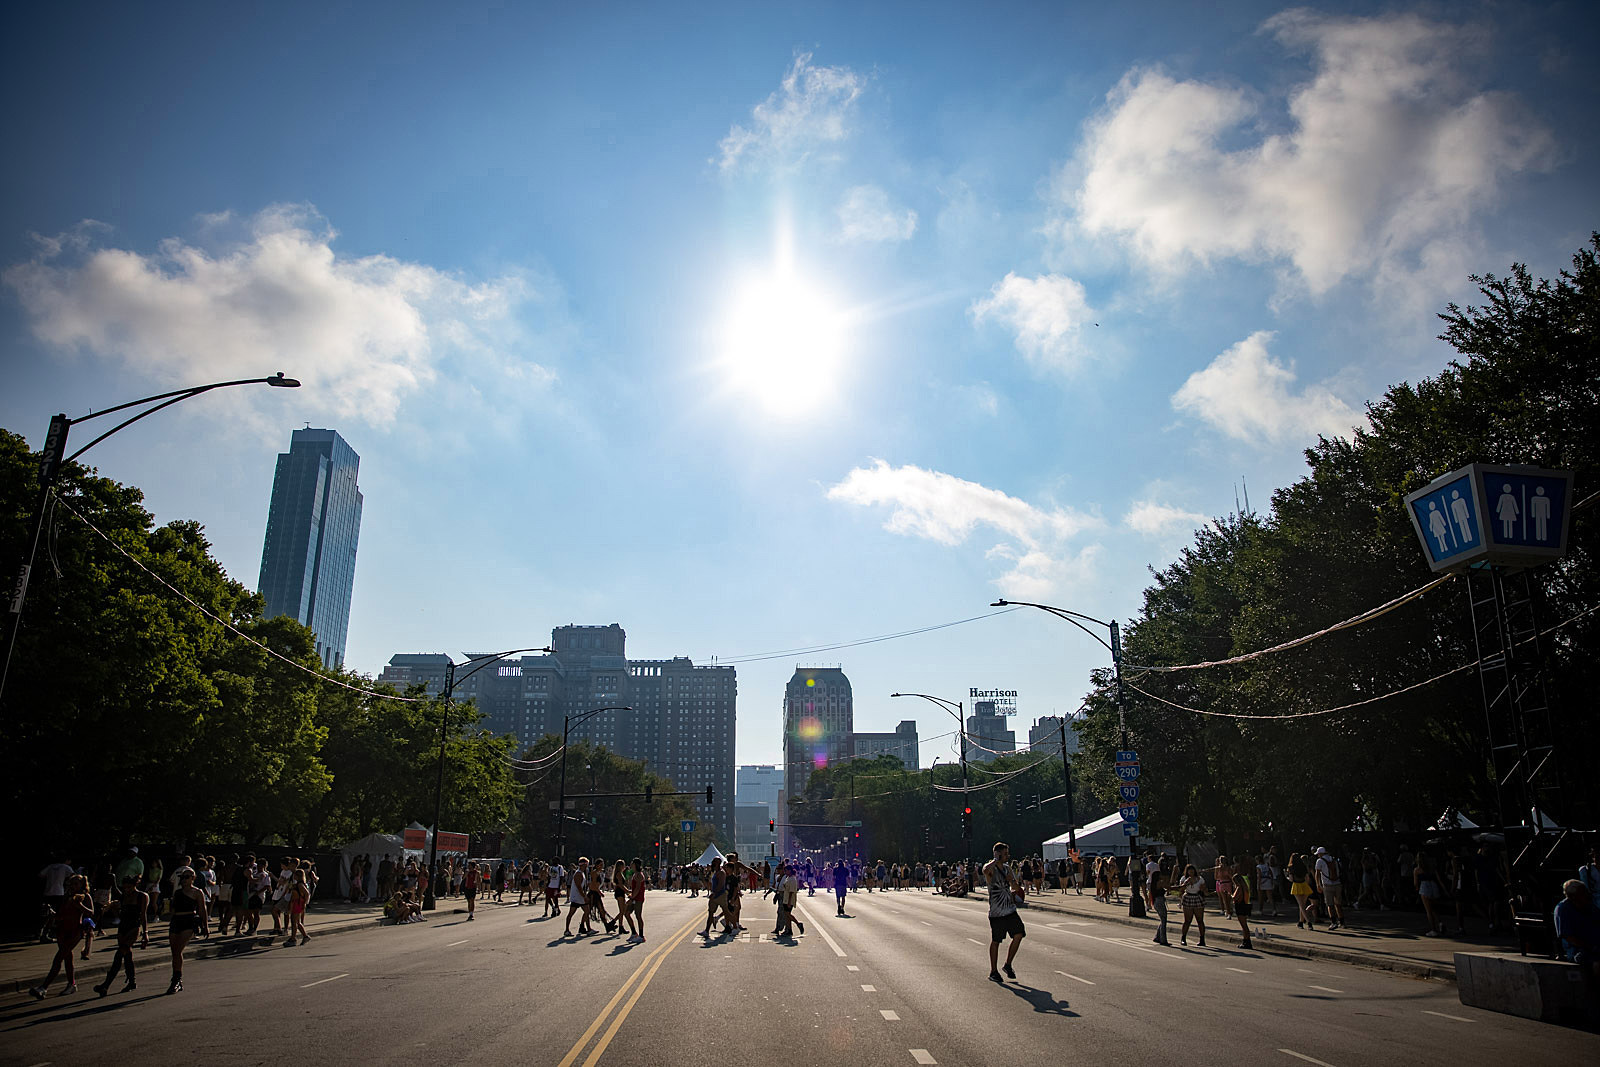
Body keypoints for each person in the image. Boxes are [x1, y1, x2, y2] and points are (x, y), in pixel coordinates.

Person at [30, 873, 94, 998]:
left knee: (58, 958)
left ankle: (44, 987)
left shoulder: (85, 897)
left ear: (82, 885)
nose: (73, 886)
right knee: (67, 958)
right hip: (62, 931)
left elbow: (91, 913)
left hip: (75, 931)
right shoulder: (66, 897)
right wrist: (52, 914)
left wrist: (79, 905)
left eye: (76, 884)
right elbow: (60, 915)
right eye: (71, 884)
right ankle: (72, 984)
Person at [94, 875, 148, 996]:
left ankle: (106, 985)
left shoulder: (142, 896)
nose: (127, 890)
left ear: (135, 885)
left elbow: (143, 915)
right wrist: (112, 908)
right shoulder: (123, 897)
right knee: (127, 955)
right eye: (125, 888)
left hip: (133, 928)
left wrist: (145, 933)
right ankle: (132, 982)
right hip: (123, 927)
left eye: (129, 887)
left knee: (119, 954)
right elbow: (120, 914)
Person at [983, 842, 1026, 983]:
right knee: (996, 941)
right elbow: (984, 871)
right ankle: (993, 971)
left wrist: (1012, 882)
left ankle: (1008, 964)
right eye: (1005, 853)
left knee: (1019, 934)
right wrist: (995, 860)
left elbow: (1016, 887)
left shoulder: (1008, 869)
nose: (1007, 856)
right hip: (997, 912)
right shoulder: (991, 869)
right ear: (998, 853)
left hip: (1009, 909)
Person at [165, 867, 208, 994]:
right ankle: (177, 977)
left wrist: (205, 925)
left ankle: (176, 980)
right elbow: (172, 909)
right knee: (174, 951)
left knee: (178, 949)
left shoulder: (197, 892)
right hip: (176, 920)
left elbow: (202, 909)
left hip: (189, 920)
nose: (184, 880)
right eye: (182, 877)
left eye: (187, 877)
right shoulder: (177, 892)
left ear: (193, 878)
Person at [1553, 879, 1600, 983]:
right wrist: (1590, 946)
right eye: (1583, 893)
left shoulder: (1589, 906)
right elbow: (1567, 936)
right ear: (1573, 896)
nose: (1587, 895)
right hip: (1578, 950)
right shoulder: (1563, 909)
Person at [1314, 847, 1345, 930]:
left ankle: (1333, 922)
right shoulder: (1333, 859)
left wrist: (1318, 884)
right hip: (1337, 883)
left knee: (1329, 904)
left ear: (1320, 854)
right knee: (1338, 904)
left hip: (1327, 884)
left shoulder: (1320, 861)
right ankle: (1342, 922)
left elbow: (1317, 873)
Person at [1177, 862, 1207, 947]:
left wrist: (1203, 889)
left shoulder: (1200, 879)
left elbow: (1205, 889)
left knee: (1200, 920)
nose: (1191, 872)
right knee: (1187, 920)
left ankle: (1202, 939)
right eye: (1189, 871)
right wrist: (1186, 882)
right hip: (1188, 897)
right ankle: (1183, 938)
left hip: (1197, 897)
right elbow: (1181, 889)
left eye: (1192, 871)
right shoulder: (1183, 878)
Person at [565, 858, 592, 937]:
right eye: (586, 864)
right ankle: (567, 930)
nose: (587, 866)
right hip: (576, 897)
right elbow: (579, 887)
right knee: (571, 913)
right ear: (583, 864)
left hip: (580, 897)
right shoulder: (578, 874)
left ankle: (588, 929)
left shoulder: (583, 873)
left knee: (587, 911)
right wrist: (584, 896)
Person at [1287, 852, 1315, 929]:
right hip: (1304, 885)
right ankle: (1300, 922)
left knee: (1301, 905)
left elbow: (1291, 879)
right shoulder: (1303, 866)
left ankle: (1309, 922)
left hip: (1296, 886)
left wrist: (1287, 877)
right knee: (1303, 904)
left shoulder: (1291, 867)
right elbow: (1307, 878)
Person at [285, 868, 312, 946]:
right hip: (295, 903)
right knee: (296, 921)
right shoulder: (297, 884)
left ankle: (293, 938)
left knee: (294, 921)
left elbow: (307, 894)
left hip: (298, 904)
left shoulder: (300, 885)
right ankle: (305, 936)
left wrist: (305, 903)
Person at [1231, 859, 1254, 950]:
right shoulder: (1245, 888)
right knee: (1245, 925)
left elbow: (1234, 897)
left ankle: (1246, 941)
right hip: (1246, 904)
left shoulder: (1238, 888)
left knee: (1243, 925)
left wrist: (1230, 894)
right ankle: (1246, 940)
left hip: (1240, 905)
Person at [1149, 857, 1170, 946]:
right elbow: (1169, 888)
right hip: (1160, 901)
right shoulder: (1159, 883)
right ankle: (1163, 939)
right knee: (1164, 920)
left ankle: (1157, 937)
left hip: (1157, 901)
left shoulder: (1153, 885)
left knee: (1162, 919)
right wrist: (1181, 887)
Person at [628, 857, 648, 942]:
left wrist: (632, 897)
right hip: (634, 897)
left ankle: (641, 935)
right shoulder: (634, 874)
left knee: (638, 916)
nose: (631, 865)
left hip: (638, 898)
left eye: (632, 863)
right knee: (626, 913)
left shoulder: (639, 875)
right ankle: (633, 933)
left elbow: (638, 888)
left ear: (635, 865)